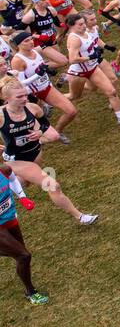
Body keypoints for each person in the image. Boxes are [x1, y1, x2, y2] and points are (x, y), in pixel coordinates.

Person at [0, 75, 99, 226]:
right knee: (52, 186)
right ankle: (81, 217)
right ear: (6, 98)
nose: (25, 98)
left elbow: (45, 126)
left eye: (25, 94)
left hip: (36, 153)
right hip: (16, 160)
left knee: (23, 184)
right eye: (19, 96)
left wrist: (39, 134)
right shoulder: (1, 115)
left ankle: (5, 196)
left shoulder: (33, 108)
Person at [0, 159, 45, 304]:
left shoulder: (3, 170)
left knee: (20, 252)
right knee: (23, 256)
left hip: (10, 218)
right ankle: (30, 292)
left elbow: (12, 178)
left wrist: (22, 197)